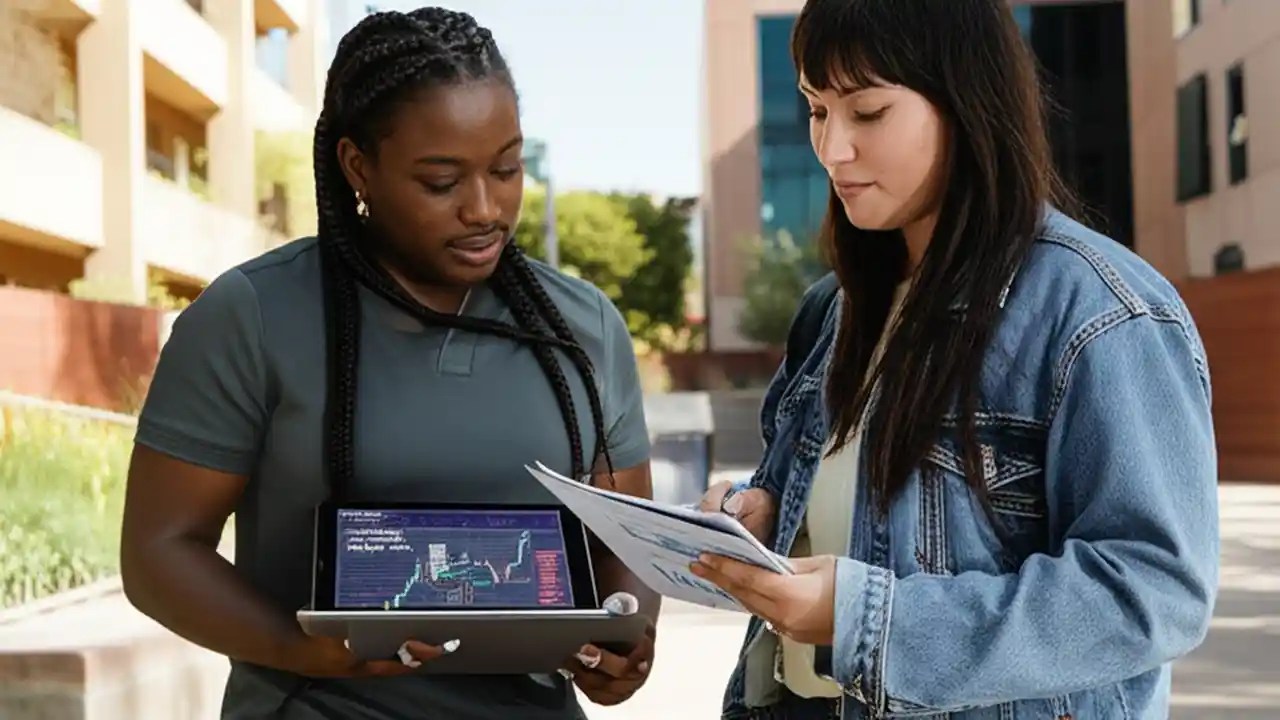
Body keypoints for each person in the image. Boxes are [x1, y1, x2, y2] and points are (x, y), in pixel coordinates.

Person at [119, 8, 658, 719]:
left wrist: (626, 639)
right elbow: (158, 552)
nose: (485, 208)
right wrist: (298, 647)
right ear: (357, 167)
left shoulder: (582, 329)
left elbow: (628, 546)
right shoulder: (253, 317)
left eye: (506, 168)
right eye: (441, 181)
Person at [694, 1, 1219, 718]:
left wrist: (871, 623)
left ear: (967, 103)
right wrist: (758, 515)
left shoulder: (1099, 313)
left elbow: (1152, 591)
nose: (832, 148)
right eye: (817, 110)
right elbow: (840, 510)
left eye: (868, 112)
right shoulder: (833, 310)